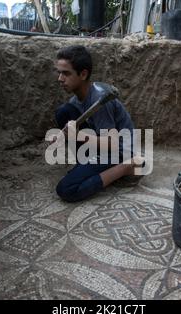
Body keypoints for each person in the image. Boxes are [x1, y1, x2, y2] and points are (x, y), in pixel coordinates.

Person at [53, 45, 143, 203]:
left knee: (66, 189)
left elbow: (114, 144)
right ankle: (89, 164)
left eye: (66, 73)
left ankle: (127, 167)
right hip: (99, 147)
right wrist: (64, 135)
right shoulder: (76, 101)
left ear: (83, 74)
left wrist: (78, 135)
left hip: (120, 152)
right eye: (59, 73)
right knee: (64, 112)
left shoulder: (101, 100)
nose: (60, 79)